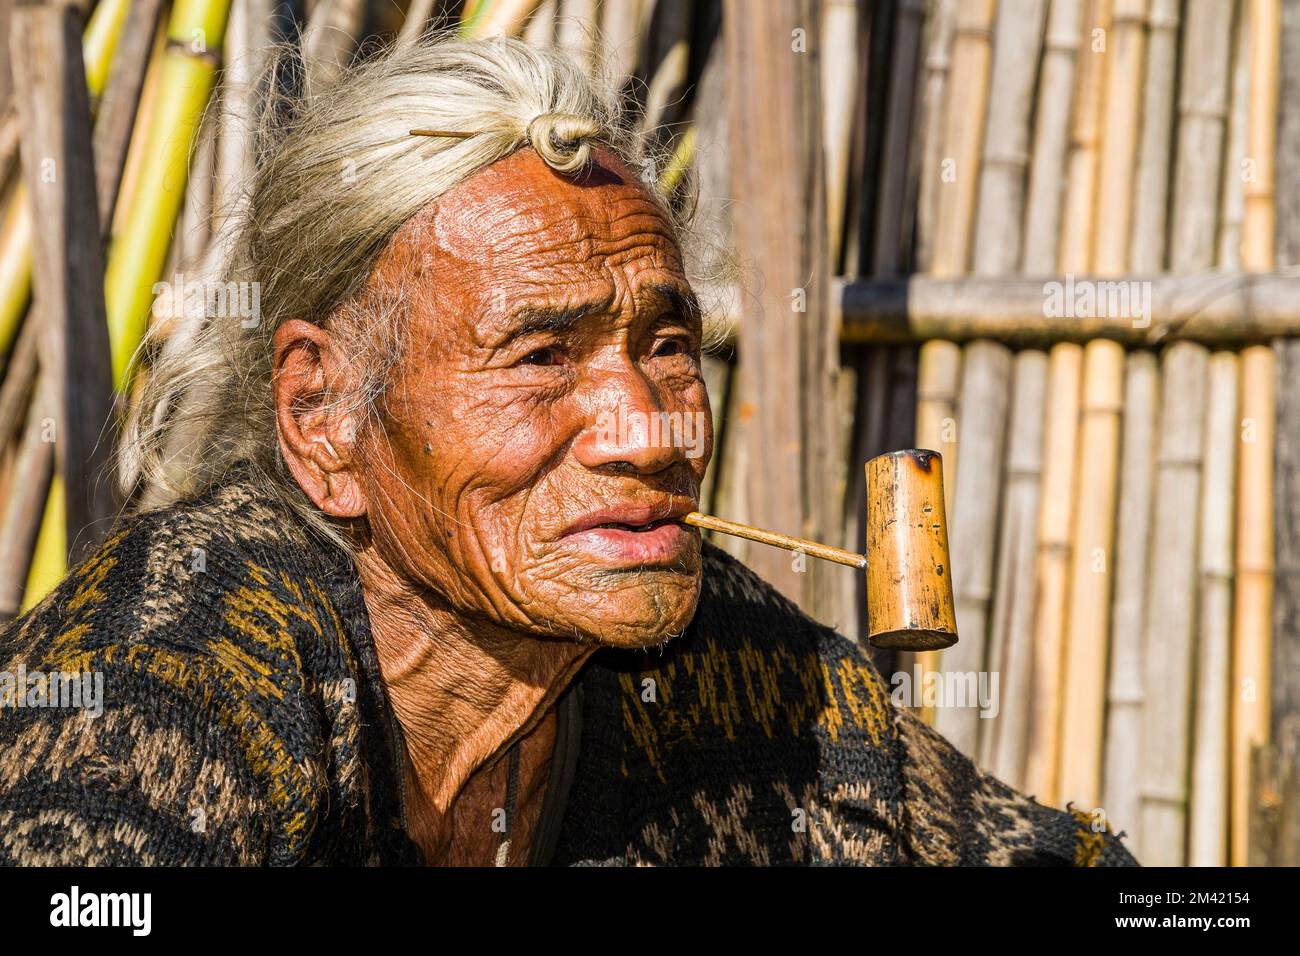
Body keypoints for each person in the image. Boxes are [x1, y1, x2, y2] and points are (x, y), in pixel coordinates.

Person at [0, 34, 1135, 867]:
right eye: (543, 355)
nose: (650, 429)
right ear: (323, 417)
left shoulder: (733, 671)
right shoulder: (173, 666)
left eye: (668, 342)